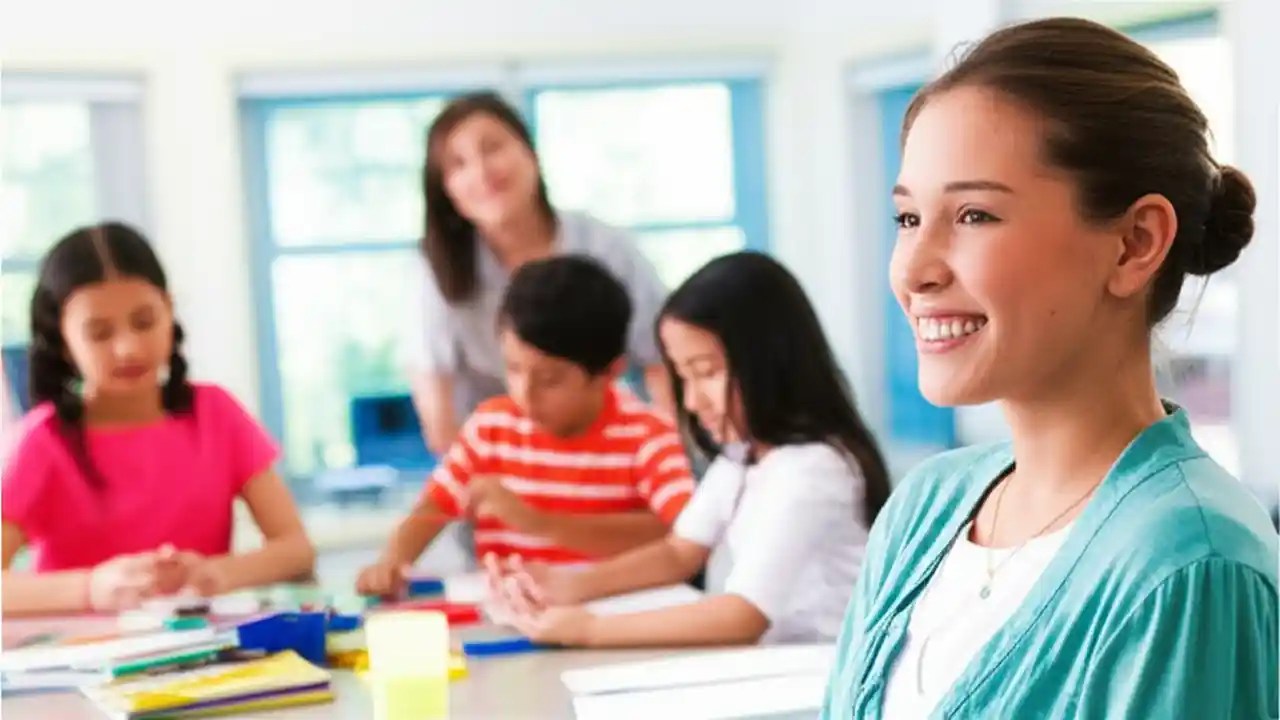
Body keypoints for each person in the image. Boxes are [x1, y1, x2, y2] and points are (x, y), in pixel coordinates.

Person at [822, 17, 1278, 719]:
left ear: (1134, 244)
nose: (912, 270)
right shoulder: (925, 508)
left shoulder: (1191, 564)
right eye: (909, 219)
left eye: (974, 215)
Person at [487, 252, 891, 647]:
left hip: (822, 680)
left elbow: (742, 616)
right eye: (684, 377)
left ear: (769, 362)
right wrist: (569, 585)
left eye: (707, 372)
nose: (693, 401)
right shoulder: (743, 457)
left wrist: (589, 629)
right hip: (774, 666)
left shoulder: (814, 467)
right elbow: (679, 552)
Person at [2, 223, 315, 616]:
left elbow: (296, 549)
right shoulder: (43, 441)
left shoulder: (216, 414)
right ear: (63, 342)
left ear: (169, 310)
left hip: (205, 656)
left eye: (145, 322)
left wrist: (215, 574)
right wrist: (91, 588)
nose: (128, 348)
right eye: (99, 333)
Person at [358, 256, 694, 596]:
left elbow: (683, 534)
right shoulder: (490, 429)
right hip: (511, 616)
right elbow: (434, 507)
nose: (525, 394)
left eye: (550, 380)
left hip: (622, 616)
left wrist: (537, 522)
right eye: (514, 368)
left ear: (609, 372)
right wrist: (393, 559)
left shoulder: (648, 436)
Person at [408, 91, 672, 456]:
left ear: (529, 152)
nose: (482, 171)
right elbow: (437, 405)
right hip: (496, 465)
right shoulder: (436, 270)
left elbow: (661, 361)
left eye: (493, 147)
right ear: (446, 190)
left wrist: (667, 457)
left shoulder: (604, 246)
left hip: (608, 457)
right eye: (458, 163)